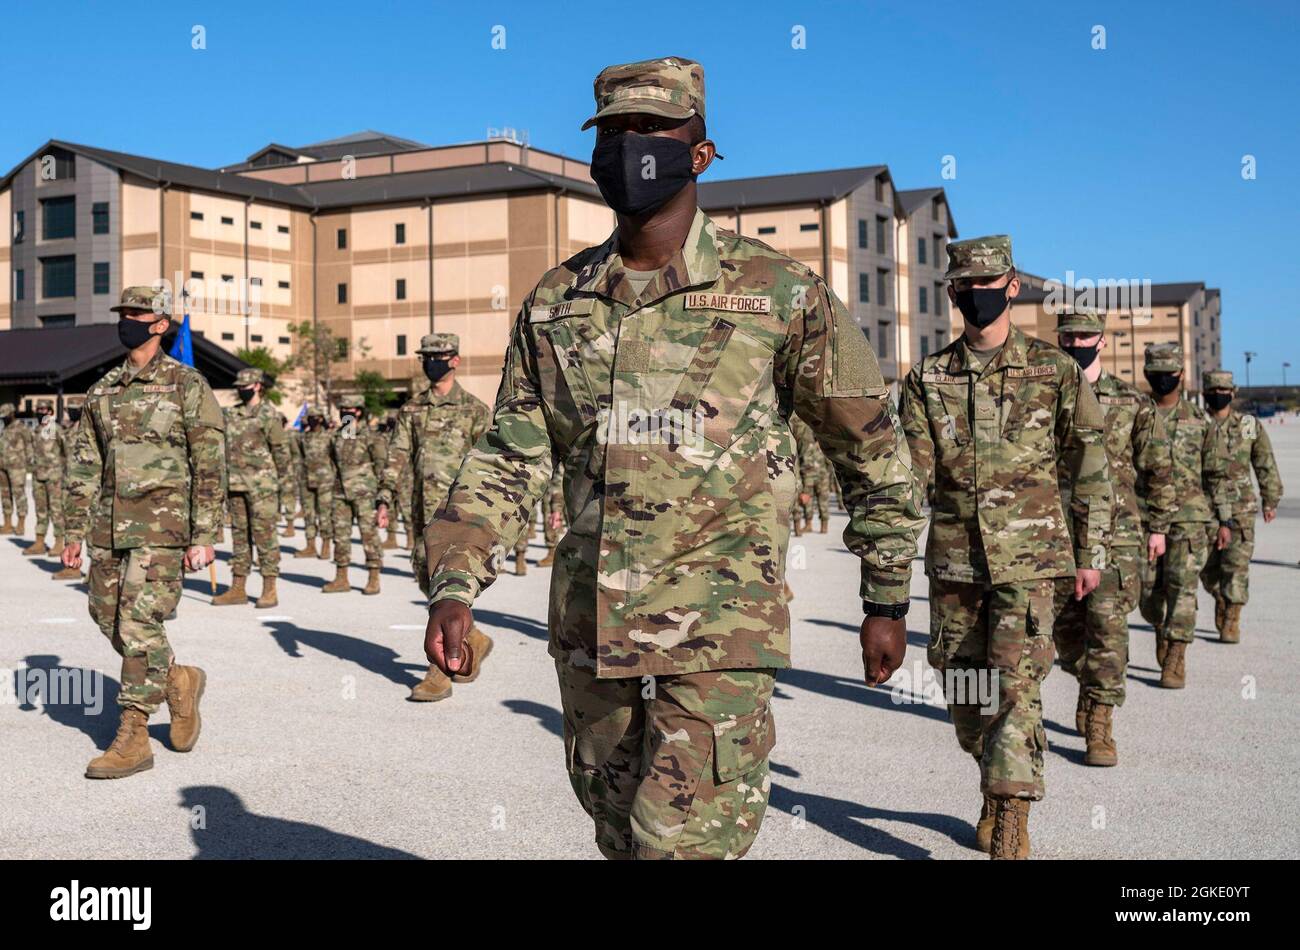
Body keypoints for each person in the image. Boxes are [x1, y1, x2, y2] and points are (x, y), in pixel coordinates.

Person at [422, 57, 923, 859]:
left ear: (701, 152)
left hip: (719, 633)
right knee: (620, 839)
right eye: (614, 133)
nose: (630, 148)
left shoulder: (779, 293)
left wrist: (888, 597)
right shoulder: (558, 302)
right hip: (592, 632)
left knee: (677, 847)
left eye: (654, 131)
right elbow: (509, 453)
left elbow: (871, 449)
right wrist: (454, 583)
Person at [899, 235, 1112, 859]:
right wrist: (884, 566)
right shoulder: (928, 378)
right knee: (966, 693)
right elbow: (908, 477)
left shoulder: (1055, 372)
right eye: (964, 288)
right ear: (951, 293)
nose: (976, 297)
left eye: (988, 287)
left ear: (1012, 288)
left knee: (1016, 685)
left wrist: (1090, 551)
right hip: (955, 564)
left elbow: (1090, 462)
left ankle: (1013, 814)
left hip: (1032, 561)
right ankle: (993, 779)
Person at [62, 285, 224, 779]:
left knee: (136, 623)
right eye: (123, 313)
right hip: (109, 529)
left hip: (164, 527)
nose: (125, 320)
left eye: (136, 314)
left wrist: (205, 533)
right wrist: (72, 529)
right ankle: (177, 679)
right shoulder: (104, 388)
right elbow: (85, 463)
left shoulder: (186, 384)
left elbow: (211, 461)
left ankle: (132, 735)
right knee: (107, 616)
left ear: (159, 324)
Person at [1052, 307, 1175, 766]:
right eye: (1069, 337)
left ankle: (1101, 724)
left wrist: (1158, 525)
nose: (1076, 343)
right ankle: (1088, 686)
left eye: (1085, 336)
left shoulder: (1131, 403)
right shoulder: (1044, 398)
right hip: (1058, 533)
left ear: (1102, 341)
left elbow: (1158, 468)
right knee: (1066, 636)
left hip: (1117, 535)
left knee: (1107, 629)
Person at [377, 333, 492, 702]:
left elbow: (489, 464)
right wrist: (384, 496)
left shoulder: (474, 410)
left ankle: (440, 670)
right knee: (424, 576)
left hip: (459, 515)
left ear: (455, 360)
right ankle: (471, 638)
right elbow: (397, 454)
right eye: (425, 357)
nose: (430, 362)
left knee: (443, 585)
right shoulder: (412, 410)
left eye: (437, 356)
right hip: (421, 511)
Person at [1137, 344, 1232, 687]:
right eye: (1156, 373)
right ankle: (1161, 628)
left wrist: (1224, 519)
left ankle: (1177, 654)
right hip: (1143, 518)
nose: (1163, 380)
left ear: (1180, 375)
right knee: (1147, 594)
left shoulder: (1199, 420)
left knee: (1183, 588)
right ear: (1147, 374)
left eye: (1169, 374)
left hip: (1190, 519)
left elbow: (1215, 473)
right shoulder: (1135, 412)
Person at [1199, 370, 1283, 642]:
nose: (1219, 396)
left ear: (1233, 393)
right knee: (1207, 569)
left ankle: (1232, 618)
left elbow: (1264, 462)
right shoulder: (1197, 422)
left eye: (1224, 391)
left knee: (1236, 565)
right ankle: (1221, 599)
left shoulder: (1248, 424)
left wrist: (1270, 499)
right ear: (1205, 394)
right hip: (1204, 507)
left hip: (1240, 507)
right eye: (1214, 391)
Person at [213, 368, 293, 608]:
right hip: (236, 485)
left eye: (245, 386)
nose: (241, 389)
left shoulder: (269, 415)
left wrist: (284, 488)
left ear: (258, 385)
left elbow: (281, 453)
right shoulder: (231, 414)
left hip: (262, 488)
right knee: (239, 537)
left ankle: (269, 587)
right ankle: (238, 587)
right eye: (238, 386)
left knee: (265, 537)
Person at [322, 396, 383, 595]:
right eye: (343, 408)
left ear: (359, 411)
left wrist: (383, 495)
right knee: (340, 535)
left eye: (350, 409)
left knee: (369, 534)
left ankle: (373, 577)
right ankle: (341, 577)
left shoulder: (370, 435)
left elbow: (382, 464)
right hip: (340, 493)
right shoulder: (336, 436)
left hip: (364, 493)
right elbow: (332, 461)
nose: (345, 412)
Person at [24, 399, 69, 557]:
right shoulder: (35, 430)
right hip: (38, 476)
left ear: (51, 412)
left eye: (44, 410)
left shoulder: (56, 429)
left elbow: (67, 452)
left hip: (54, 477)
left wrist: (65, 472)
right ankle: (39, 541)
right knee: (40, 510)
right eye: (39, 409)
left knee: (57, 510)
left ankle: (59, 542)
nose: (41, 412)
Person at [293, 410, 334, 560]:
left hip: (325, 480)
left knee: (325, 514)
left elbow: (341, 450)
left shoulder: (330, 436)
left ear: (322, 419)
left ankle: (326, 544)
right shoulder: (303, 437)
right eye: (310, 418)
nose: (312, 420)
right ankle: (310, 545)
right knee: (309, 514)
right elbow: (299, 457)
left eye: (316, 418)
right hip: (306, 479)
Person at [0, 401, 32, 535]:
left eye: (6, 415)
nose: (4, 418)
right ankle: (7, 524)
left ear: (12, 413)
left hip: (17, 468)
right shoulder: (4, 428)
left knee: (19, 495)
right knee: (5, 495)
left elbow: (29, 445)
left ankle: (21, 524)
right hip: (3, 467)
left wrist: (29, 463)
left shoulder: (21, 428)